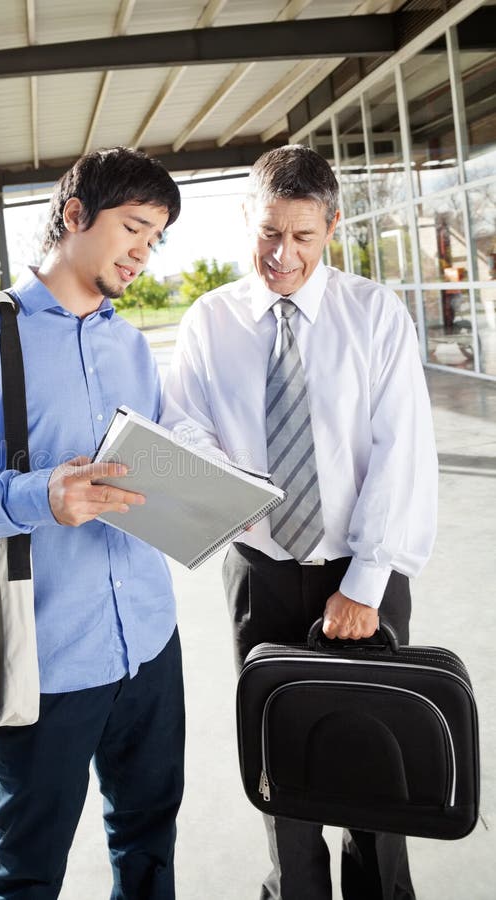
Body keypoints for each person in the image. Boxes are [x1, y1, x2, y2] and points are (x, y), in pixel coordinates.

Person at [160, 145, 438, 900]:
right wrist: (220, 478)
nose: (282, 255)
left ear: (333, 227)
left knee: (377, 766)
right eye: (269, 233)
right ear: (248, 220)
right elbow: (183, 426)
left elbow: (401, 452)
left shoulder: (373, 315)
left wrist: (367, 582)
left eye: (304, 237)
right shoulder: (209, 321)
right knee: (283, 766)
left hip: (363, 574)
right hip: (262, 575)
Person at [0, 147, 185, 900]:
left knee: (150, 839)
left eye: (156, 237)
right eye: (134, 227)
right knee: (29, 867)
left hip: (150, 640)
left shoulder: (130, 343)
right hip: (49, 655)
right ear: (74, 216)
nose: (143, 252)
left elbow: (153, 458)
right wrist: (41, 496)